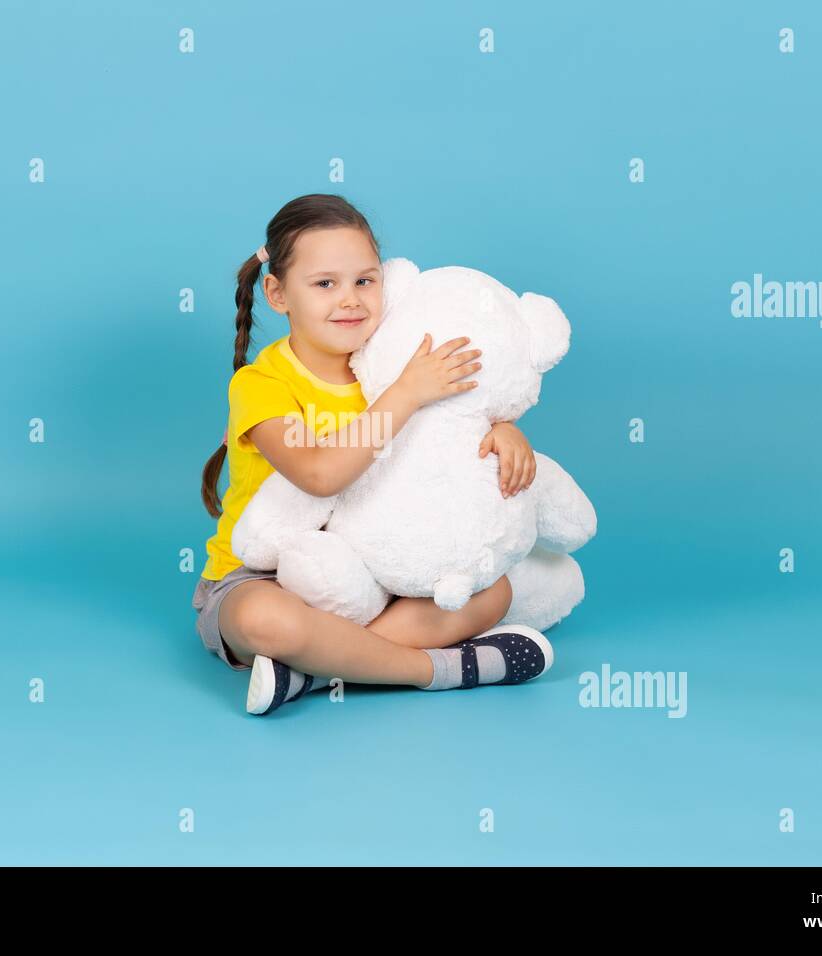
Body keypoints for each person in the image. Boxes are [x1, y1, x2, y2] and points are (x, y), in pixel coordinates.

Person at [194, 194, 553, 715]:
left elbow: (458, 416)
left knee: (492, 593)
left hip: (375, 572)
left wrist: (502, 426)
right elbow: (320, 475)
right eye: (324, 284)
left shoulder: (390, 359)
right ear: (276, 292)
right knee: (267, 623)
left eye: (365, 280)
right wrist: (407, 392)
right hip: (258, 577)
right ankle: (437, 670)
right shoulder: (261, 384)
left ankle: (313, 672)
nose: (351, 301)